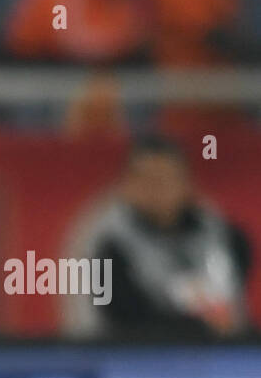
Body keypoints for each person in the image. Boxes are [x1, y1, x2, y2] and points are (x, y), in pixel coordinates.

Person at [67, 134, 251, 338]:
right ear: (127, 185)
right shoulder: (109, 249)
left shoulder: (225, 238)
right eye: (147, 179)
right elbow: (126, 323)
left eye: (167, 178)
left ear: (187, 183)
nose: (157, 189)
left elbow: (232, 308)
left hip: (225, 358)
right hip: (140, 361)